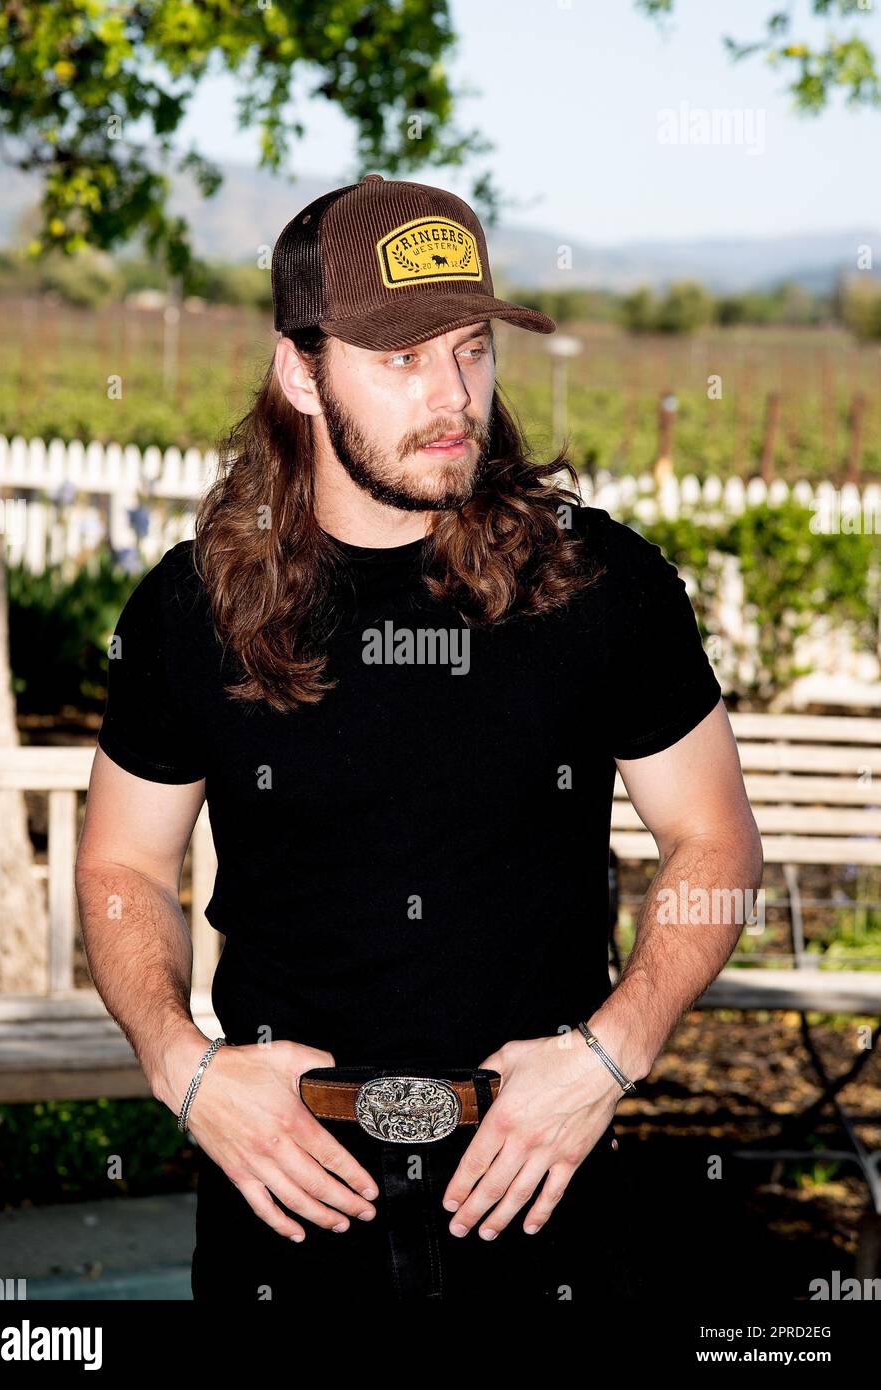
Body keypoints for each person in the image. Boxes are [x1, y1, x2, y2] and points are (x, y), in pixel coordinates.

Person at [76, 174, 763, 1303]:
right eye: (401, 357)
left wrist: (611, 1054)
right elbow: (122, 864)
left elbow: (714, 840)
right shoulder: (193, 605)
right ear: (300, 370)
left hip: (540, 1175)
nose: (453, 394)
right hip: (284, 1186)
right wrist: (181, 1067)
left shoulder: (599, 584)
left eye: (473, 348)